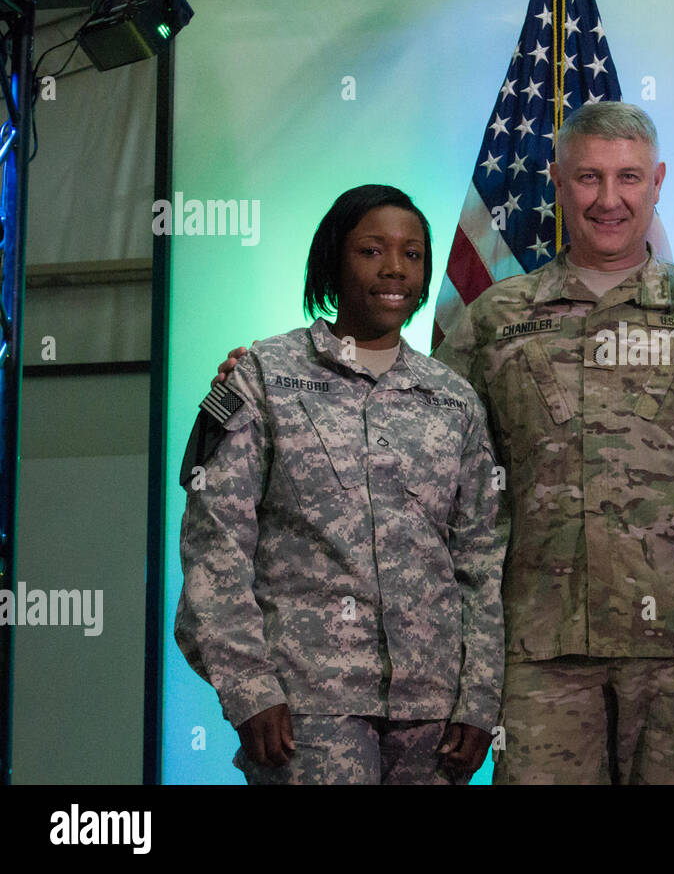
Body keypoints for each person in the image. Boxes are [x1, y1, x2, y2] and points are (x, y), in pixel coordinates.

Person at [435, 102, 674, 784]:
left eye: (628, 178)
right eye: (589, 178)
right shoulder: (498, 319)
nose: (610, 199)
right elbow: (425, 448)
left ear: (657, 181)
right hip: (542, 650)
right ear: (558, 183)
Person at [176, 184, 506, 785]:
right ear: (333, 259)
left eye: (412, 254)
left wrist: (480, 697)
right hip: (307, 706)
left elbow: (480, 560)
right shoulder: (262, 378)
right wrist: (247, 685)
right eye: (371, 250)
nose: (394, 269)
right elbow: (214, 546)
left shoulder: (454, 399)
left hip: (431, 714)